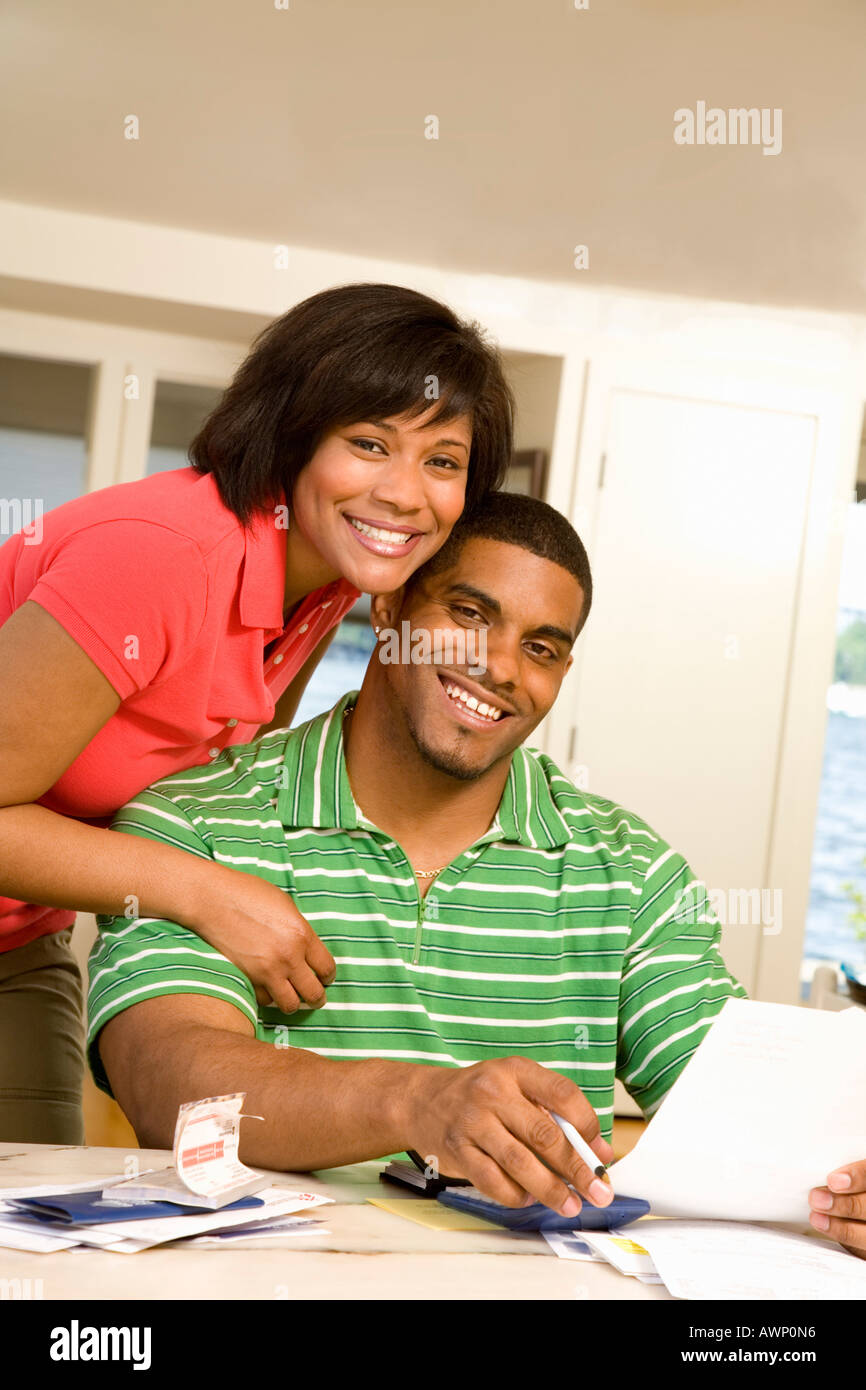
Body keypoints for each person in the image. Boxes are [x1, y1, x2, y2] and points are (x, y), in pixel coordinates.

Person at [87, 492, 779, 1229]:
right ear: (387, 610)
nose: (502, 667)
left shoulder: (633, 874)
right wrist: (415, 1103)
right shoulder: (196, 823)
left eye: (541, 648)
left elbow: (744, 1124)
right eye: (470, 614)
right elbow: (173, 1091)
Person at [0, 282, 514, 1143]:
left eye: (442, 461)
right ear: (291, 433)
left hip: (19, 935)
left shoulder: (323, 582)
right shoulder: (160, 556)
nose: (403, 493)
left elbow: (226, 797)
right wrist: (204, 892)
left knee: (34, 1219)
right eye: (368, 443)